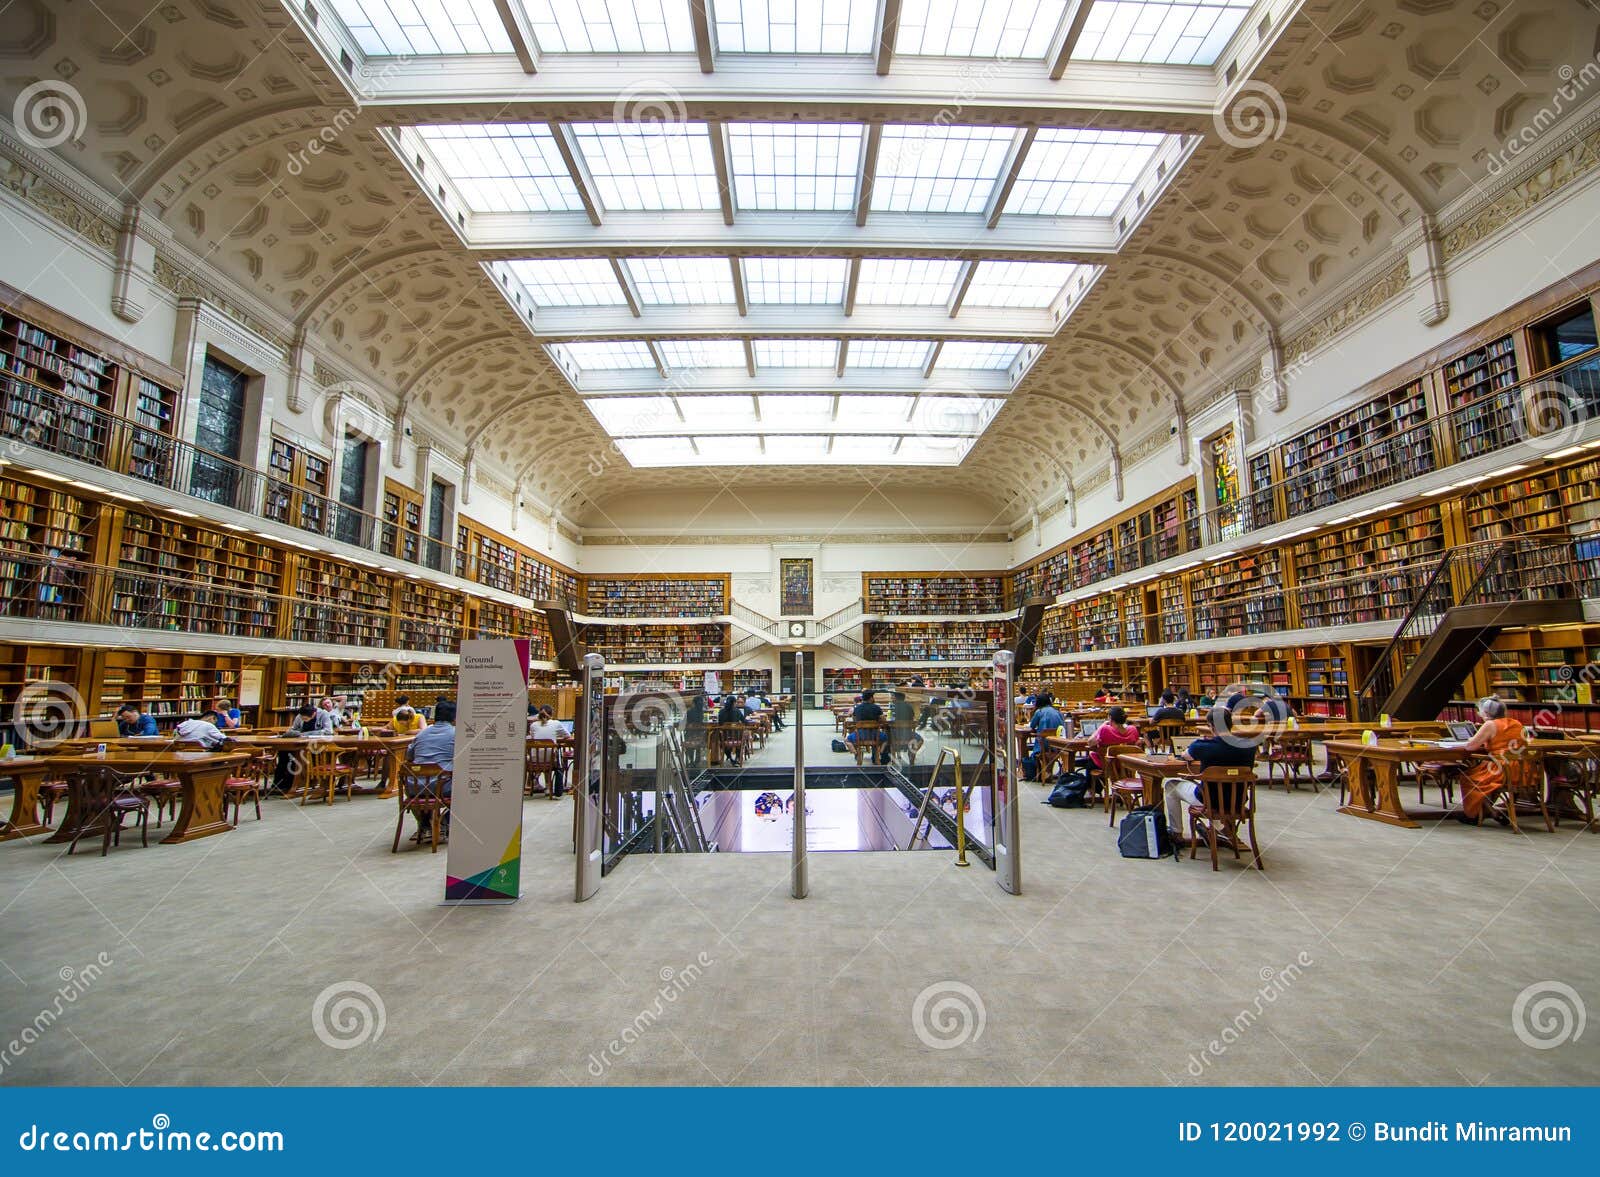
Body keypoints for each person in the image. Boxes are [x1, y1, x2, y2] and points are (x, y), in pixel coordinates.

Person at [1162, 695, 1257, 846]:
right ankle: (1222, 830)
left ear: (1211, 726)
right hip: (1238, 800)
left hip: (1209, 800)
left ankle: (1176, 833)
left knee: (1170, 786)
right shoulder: (1249, 746)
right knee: (1221, 793)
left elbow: (1186, 756)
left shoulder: (1202, 746)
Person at [1454, 696, 1527, 825]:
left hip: (1502, 768)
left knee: (1468, 778)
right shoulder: (1516, 723)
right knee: (1482, 779)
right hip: (1522, 770)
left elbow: (1471, 747)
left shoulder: (1490, 724)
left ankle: (1473, 815)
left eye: (1480, 711)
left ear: (1486, 713)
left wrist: (1471, 739)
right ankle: (1491, 812)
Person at [406, 700, 455, 838]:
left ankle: (425, 824)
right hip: (443, 788)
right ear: (454, 717)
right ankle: (445, 821)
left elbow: (409, 757)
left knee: (423, 784)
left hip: (414, 788)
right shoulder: (456, 734)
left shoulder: (421, 735)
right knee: (468, 789)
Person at [1023, 690, 1064, 781]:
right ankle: (1049, 772)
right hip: (1058, 744)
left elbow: (1032, 726)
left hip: (1044, 745)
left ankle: (1040, 772)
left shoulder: (1039, 712)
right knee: (1050, 748)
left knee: (1040, 745)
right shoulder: (1057, 711)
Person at [1088, 706, 1141, 775]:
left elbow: (1090, 742)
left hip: (1108, 764)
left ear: (1110, 717)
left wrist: (1101, 726)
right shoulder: (1133, 730)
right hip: (1127, 765)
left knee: (1090, 759)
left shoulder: (1104, 729)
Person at [848, 689, 889, 764]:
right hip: (875, 736)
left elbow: (855, 721)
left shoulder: (857, 708)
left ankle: (856, 753)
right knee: (886, 739)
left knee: (847, 740)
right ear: (871, 698)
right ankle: (880, 752)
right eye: (873, 697)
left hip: (860, 736)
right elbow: (884, 720)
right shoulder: (876, 708)